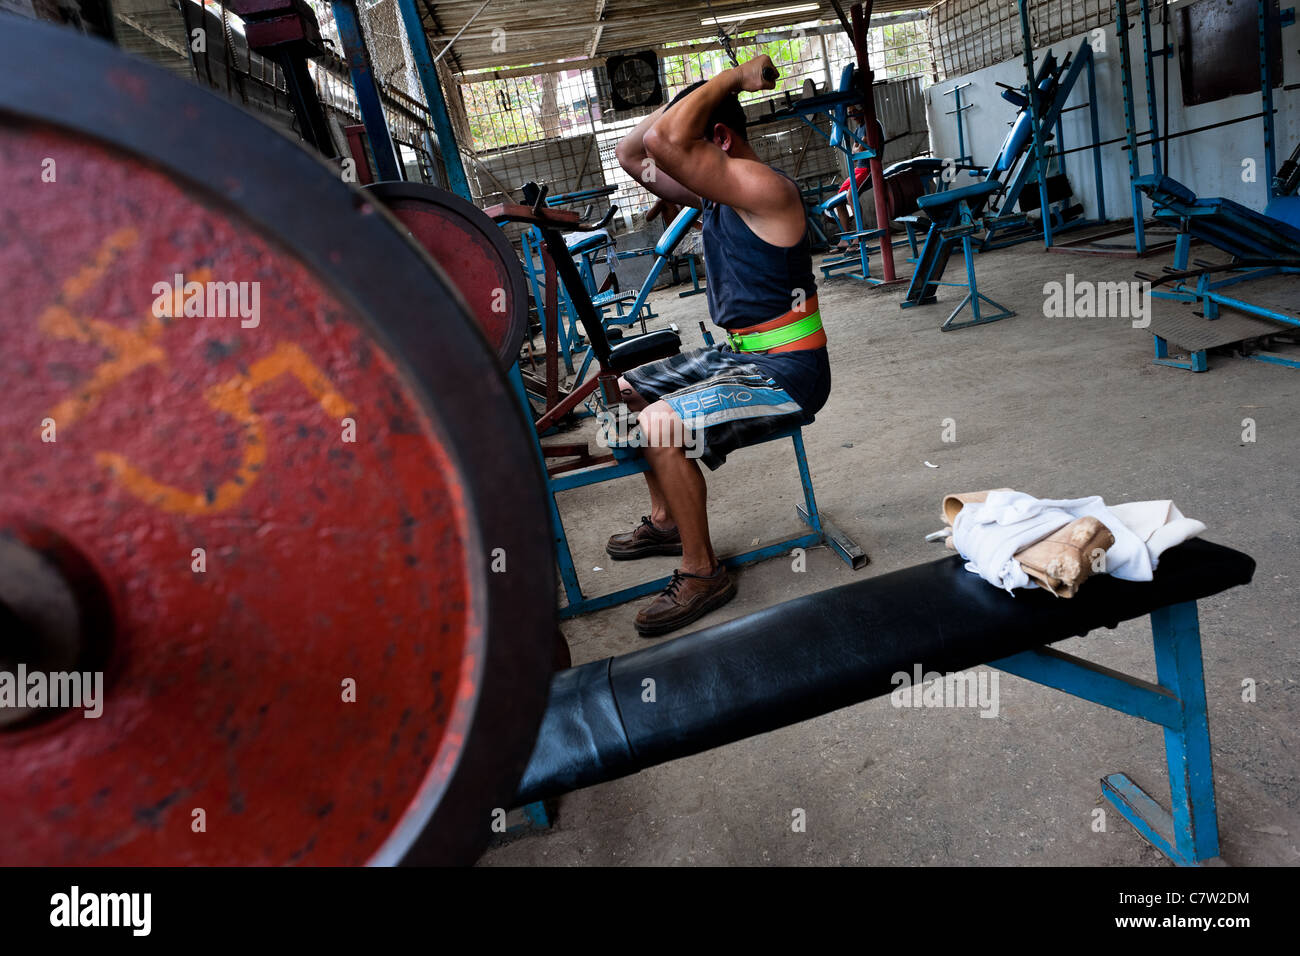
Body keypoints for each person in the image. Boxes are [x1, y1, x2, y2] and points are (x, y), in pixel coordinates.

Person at [610, 55, 831, 638]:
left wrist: (731, 80)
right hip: (741, 354)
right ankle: (666, 521)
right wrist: (690, 95)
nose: (671, 157)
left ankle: (703, 570)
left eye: (690, 141)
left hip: (788, 369)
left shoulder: (763, 188)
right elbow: (633, 153)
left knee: (660, 424)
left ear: (721, 139)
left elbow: (661, 141)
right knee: (630, 389)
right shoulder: (713, 196)